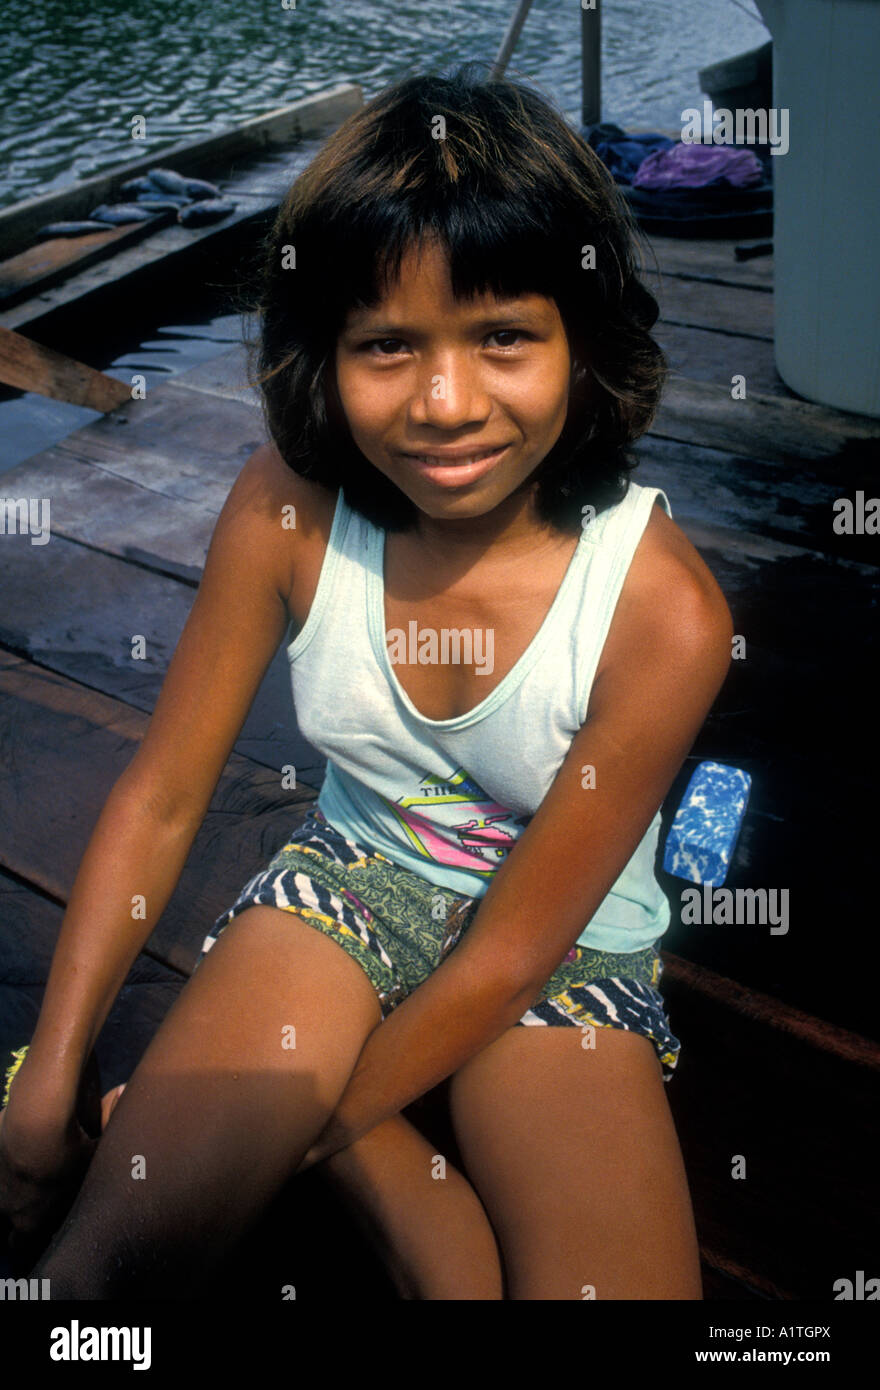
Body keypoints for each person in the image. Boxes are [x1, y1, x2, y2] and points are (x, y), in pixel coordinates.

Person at [0, 65, 732, 1300]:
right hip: (348, 881)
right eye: (387, 344)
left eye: (504, 336)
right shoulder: (287, 507)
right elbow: (164, 796)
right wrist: (49, 1078)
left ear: (583, 339)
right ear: (323, 353)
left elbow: (508, 956)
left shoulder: (664, 611)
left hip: (561, 949)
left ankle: (368, 1161)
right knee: (97, 1281)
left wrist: (312, 1123)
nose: (446, 405)